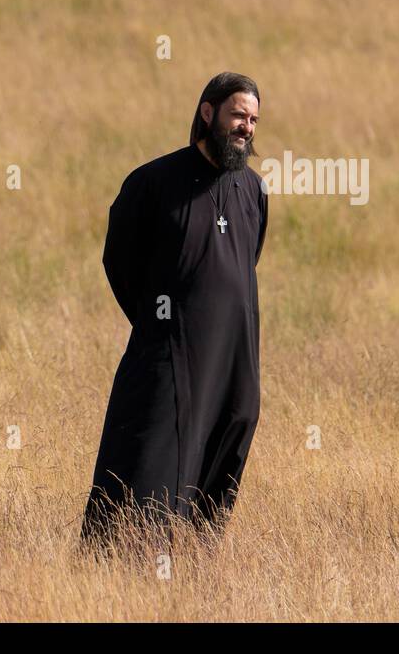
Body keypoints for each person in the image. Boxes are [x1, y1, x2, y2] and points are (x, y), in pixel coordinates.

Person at [80, 73, 267, 548]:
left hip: (235, 353)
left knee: (234, 425)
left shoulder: (253, 190)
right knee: (154, 450)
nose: (245, 127)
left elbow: (247, 263)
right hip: (168, 347)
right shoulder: (152, 183)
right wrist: (160, 320)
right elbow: (119, 262)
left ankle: (194, 552)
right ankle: (126, 557)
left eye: (252, 120)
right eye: (237, 115)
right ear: (208, 113)